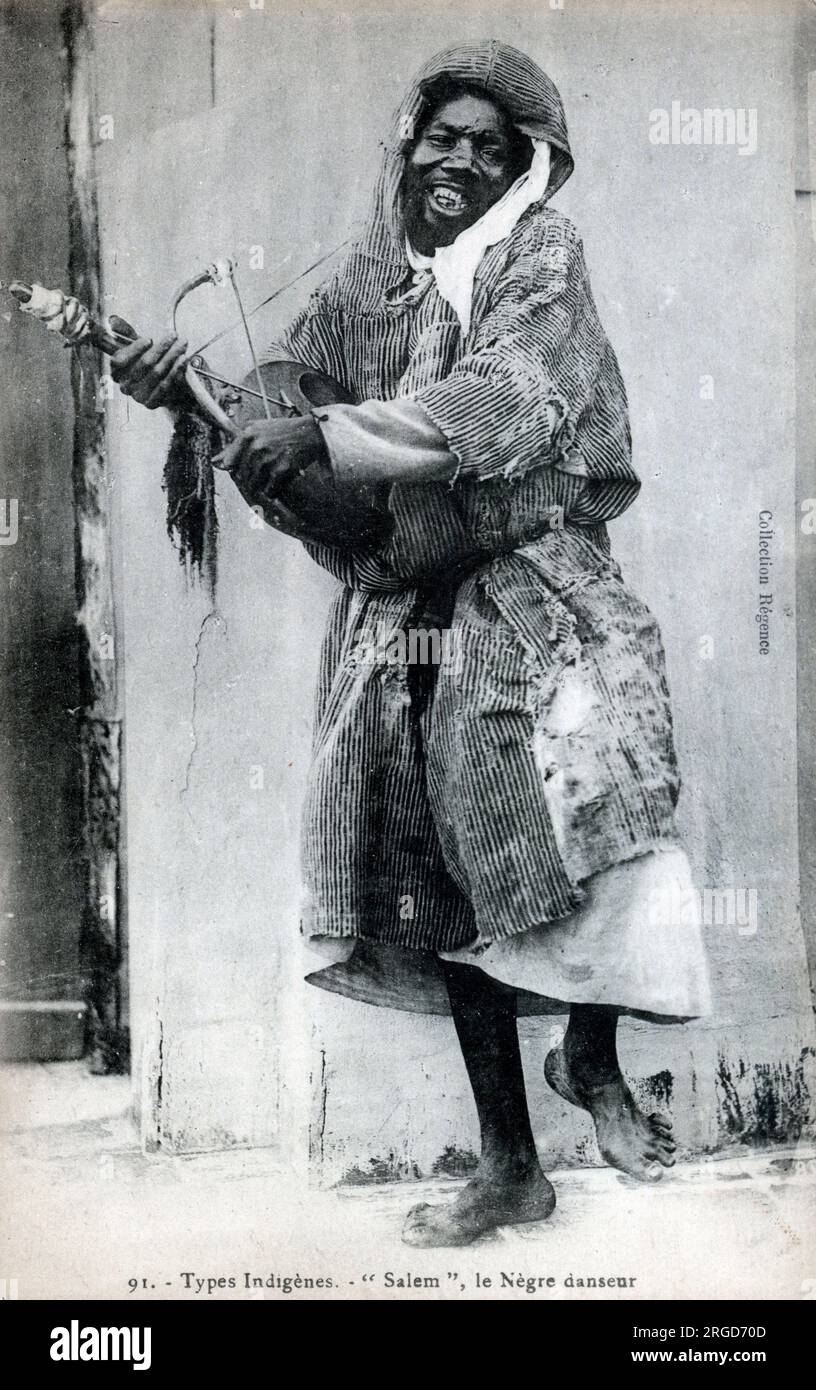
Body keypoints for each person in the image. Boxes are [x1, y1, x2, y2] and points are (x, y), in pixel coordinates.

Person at [111, 41, 711, 1248]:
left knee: (607, 821)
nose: (464, 159)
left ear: (524, 167)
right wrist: (190, 398)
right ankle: (510, 1165)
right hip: (404, 624)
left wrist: (322, 430)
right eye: (445, 135)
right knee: (445, 882)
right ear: (409, 141)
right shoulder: (359, 285)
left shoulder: (541, 255)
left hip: (539, 596)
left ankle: (591, 1060)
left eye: (494, 146)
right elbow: (291, 455)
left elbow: (510, 395)